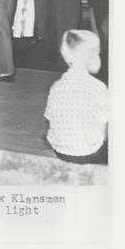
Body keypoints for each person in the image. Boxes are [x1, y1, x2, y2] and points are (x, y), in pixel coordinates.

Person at [44, 29, 108, 164]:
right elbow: (103, 129)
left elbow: (49, 119)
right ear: (90, 56)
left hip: (60, 151)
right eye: (98, 53)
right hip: (90, 152)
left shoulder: (56, 85)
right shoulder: (98, 87)